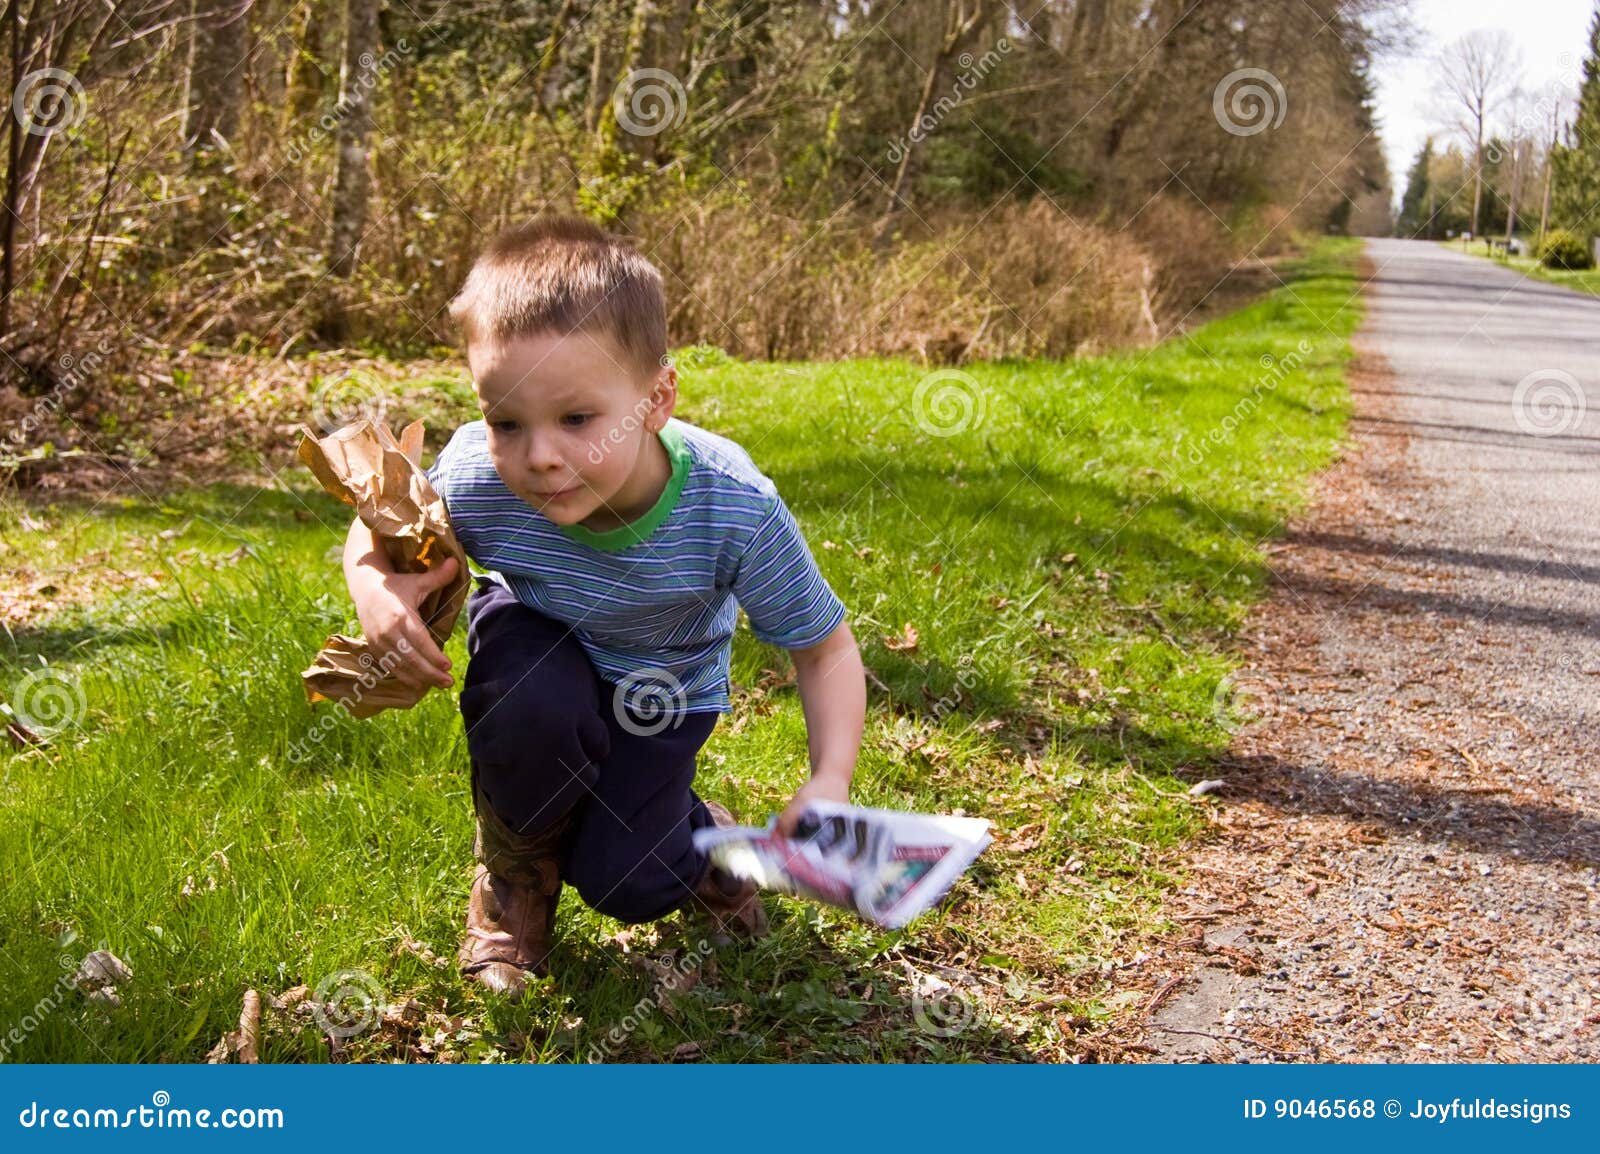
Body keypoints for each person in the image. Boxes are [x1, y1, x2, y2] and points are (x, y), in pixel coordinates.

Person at [341, 215, 866, 997]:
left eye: (577, 419)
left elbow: (824, 650)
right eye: (506, 421)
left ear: (655, 399)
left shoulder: (735, 510)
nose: (539, 455)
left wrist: (830, 778)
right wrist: (375, 590)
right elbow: (378, 522)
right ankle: (513, 884)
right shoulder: (485, 479)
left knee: (628, 884)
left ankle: (702, 842)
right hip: (540, 653)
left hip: (663, 697)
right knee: (528, 693)